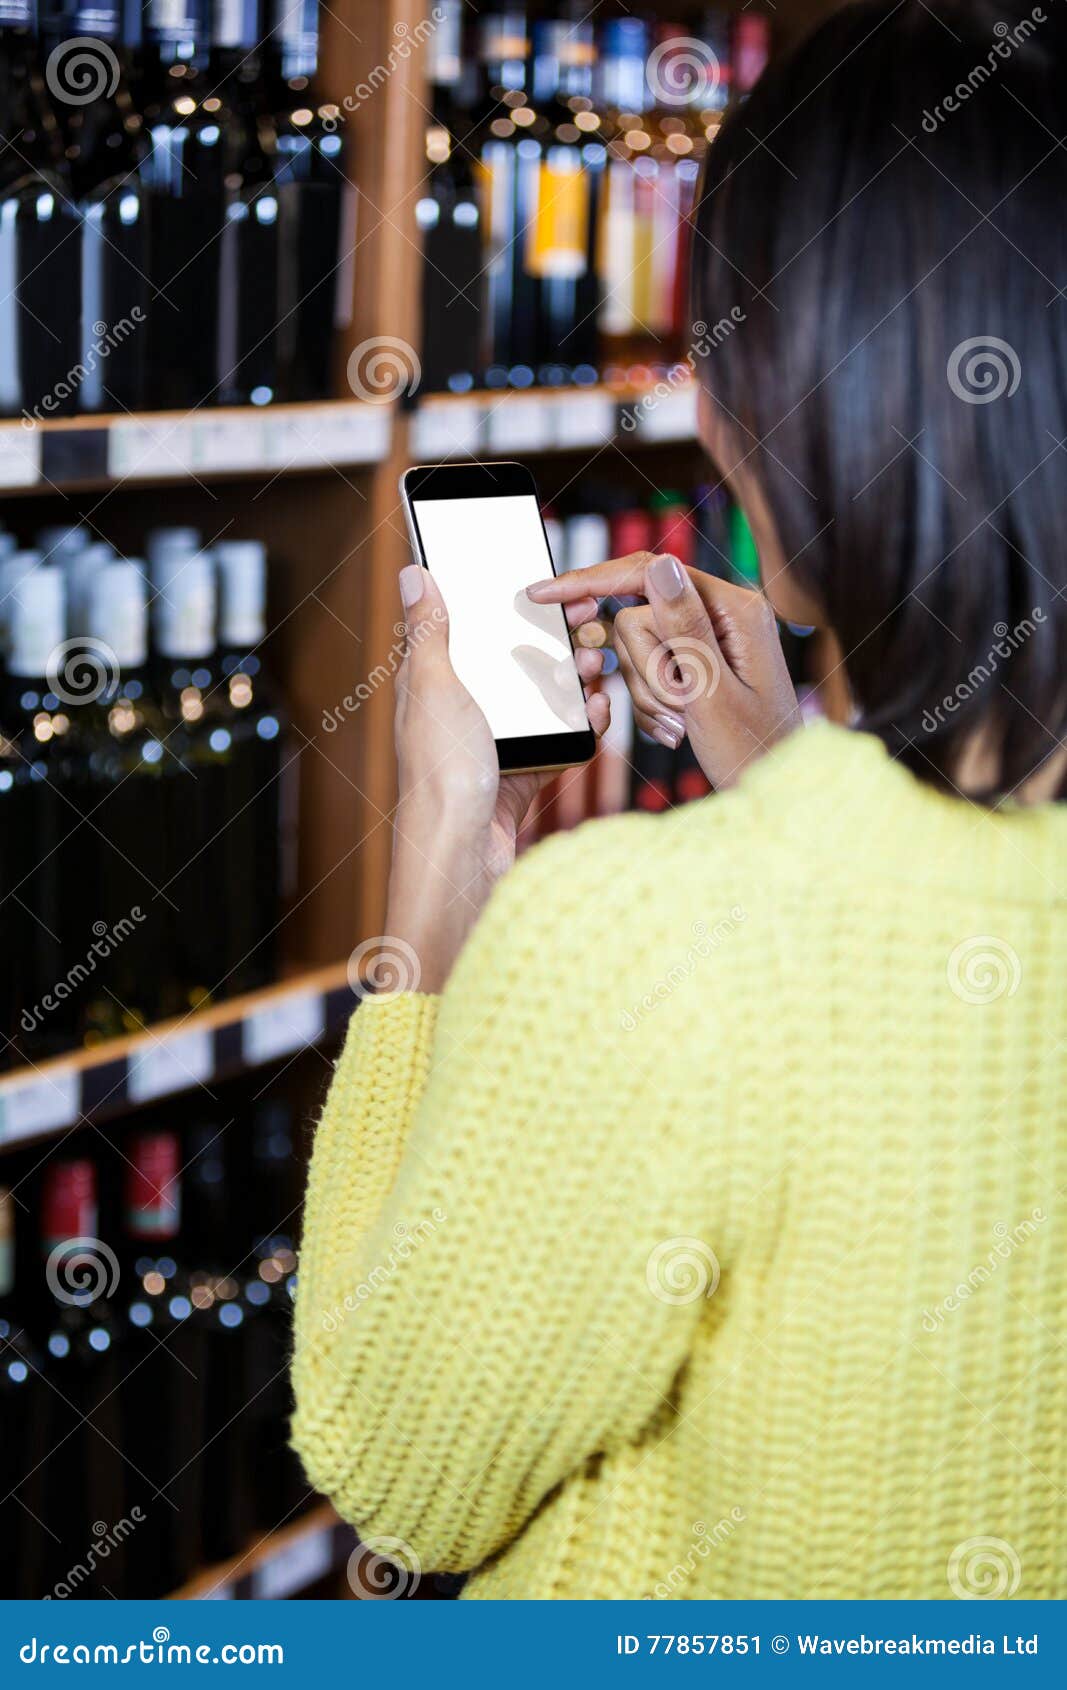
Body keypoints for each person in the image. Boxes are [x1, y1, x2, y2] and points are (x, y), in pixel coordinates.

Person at [291, 0, 1066, 1599]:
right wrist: (785, 765)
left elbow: (393, 1471)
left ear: (765, 405)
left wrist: (450, 838)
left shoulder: (651, 940)